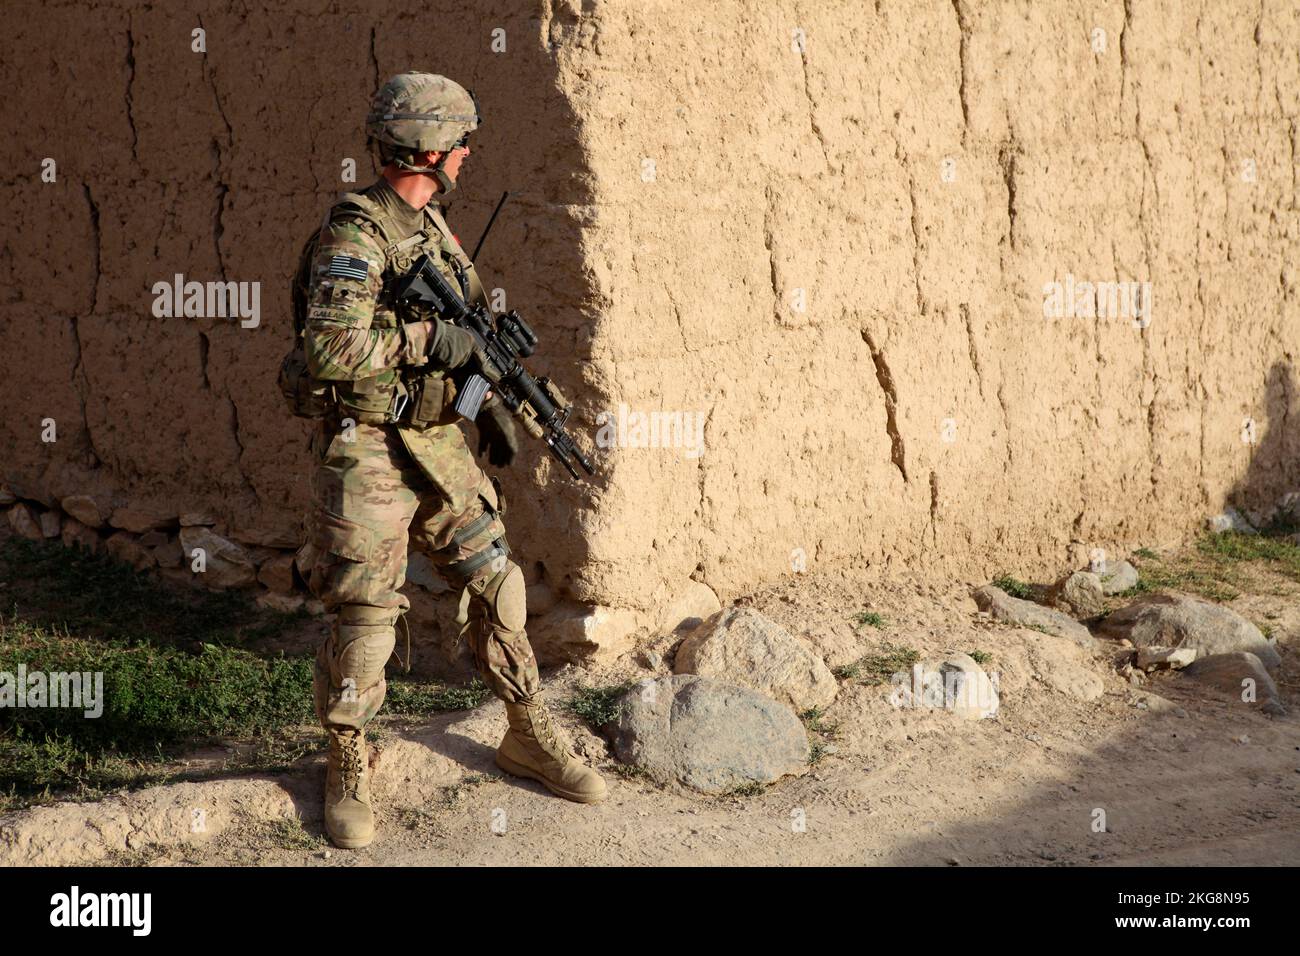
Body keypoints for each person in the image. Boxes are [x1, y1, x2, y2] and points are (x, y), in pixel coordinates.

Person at [291, 72, 606, 851]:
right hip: (365, 447)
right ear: (429, 149)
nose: (469, 156)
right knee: (366, 614)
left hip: (434, 443)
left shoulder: (435, 233)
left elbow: (463, 346)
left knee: (498, 581)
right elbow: (330, 350)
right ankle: (348, 762)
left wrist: (485, 404)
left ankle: (527, 731)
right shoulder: (356, 236)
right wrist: (434, 342)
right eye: (462, 143)